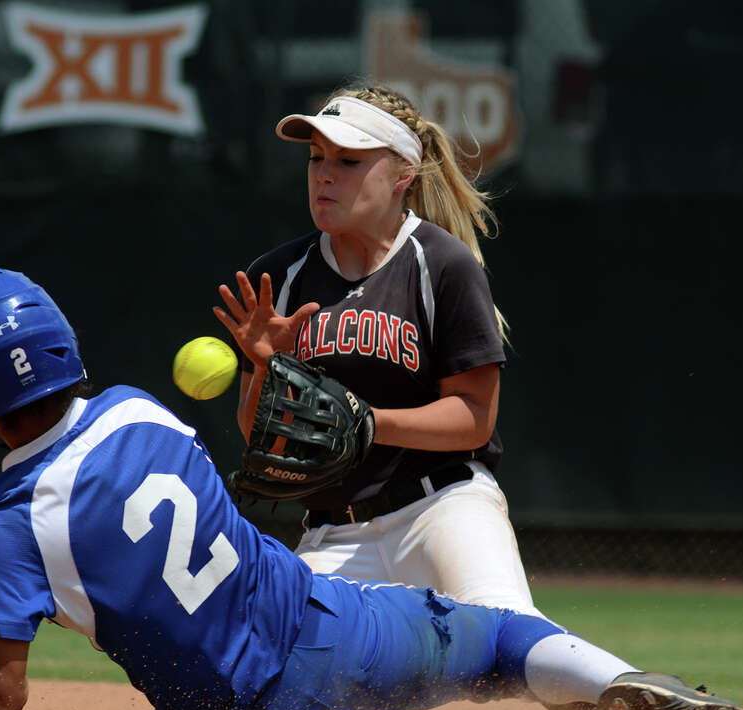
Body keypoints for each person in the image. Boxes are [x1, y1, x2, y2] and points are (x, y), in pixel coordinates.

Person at [0, 268, 743, 710]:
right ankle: (620, 688)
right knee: (500, 637)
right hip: (327, 622)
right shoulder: (138, 410)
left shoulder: (10, 533)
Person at [213, 85, 534, 616]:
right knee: (265, 674)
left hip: (442, 508)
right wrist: (267, 365)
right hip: (335, 533)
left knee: (507, 629)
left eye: (348, 160)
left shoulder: (441, 264)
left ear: (403, 174)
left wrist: (369, 422)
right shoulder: (279, 280)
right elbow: (258, 435)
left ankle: (624, 694)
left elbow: (475, 417)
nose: (324, 174)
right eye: (316, 158)